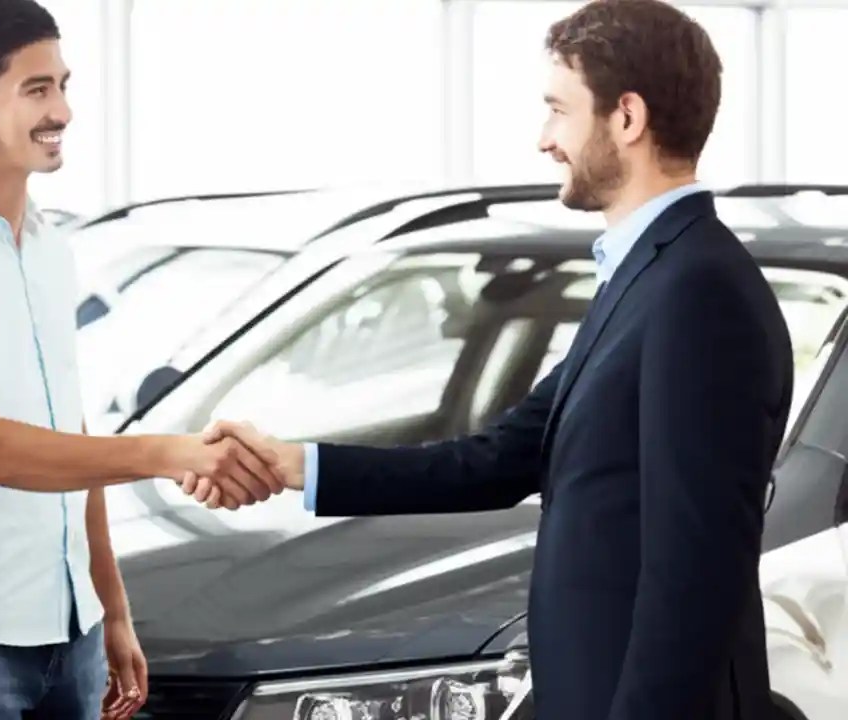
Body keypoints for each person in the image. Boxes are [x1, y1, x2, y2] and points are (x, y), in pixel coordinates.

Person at [186, 1, 793, 718]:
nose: (544, 140)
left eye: (557, 111)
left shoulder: (698, 292)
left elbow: (696, 576)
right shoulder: (649, 278)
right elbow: (502, 455)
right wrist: (294, 465)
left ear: (626, 118)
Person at [0, 1, 281, 718]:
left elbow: (72, 440)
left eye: (65, 85)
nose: (65, 111)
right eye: (38, 89)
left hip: (68, 632)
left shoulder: (49, 247)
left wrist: (110, 608)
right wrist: (171, 453)